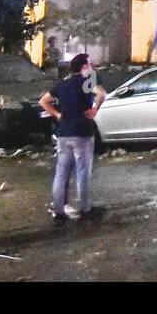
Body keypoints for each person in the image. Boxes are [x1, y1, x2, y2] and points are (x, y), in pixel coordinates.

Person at [40, 53, 106, 224]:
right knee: (83, 172)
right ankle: (86, 208)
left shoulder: (63, 84)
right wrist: (95, 110)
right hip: (82, 132)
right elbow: (101, 94)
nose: (92, 67)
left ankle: (59, 211)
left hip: (63, 133)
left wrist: (57, 114)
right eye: (89, 64)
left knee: (61, 173)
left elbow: (44, 101)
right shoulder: (87, 81)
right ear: (84, 67)